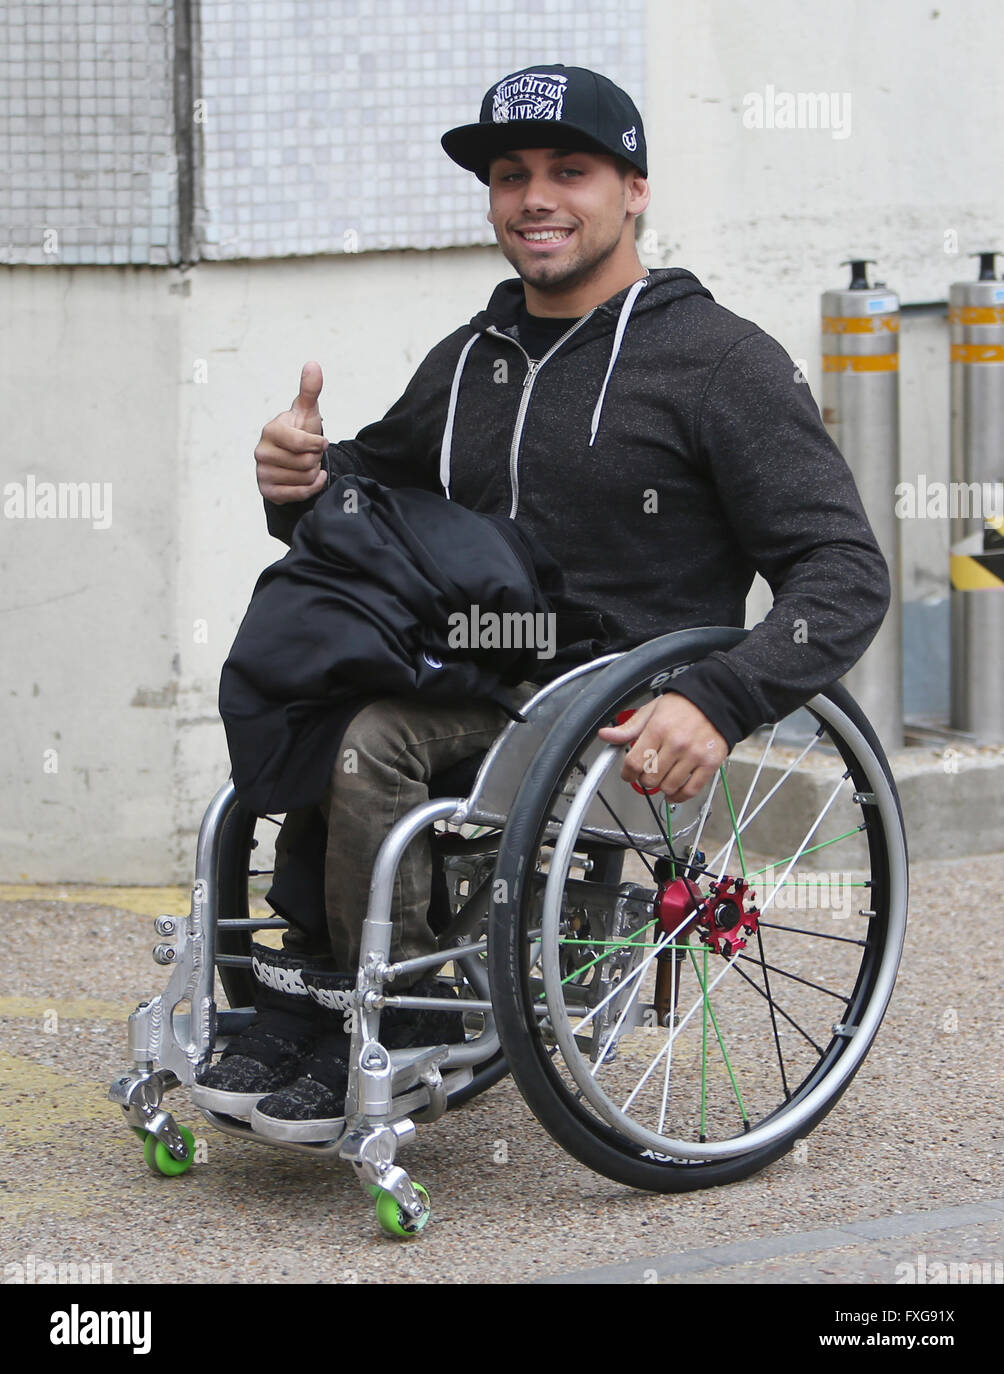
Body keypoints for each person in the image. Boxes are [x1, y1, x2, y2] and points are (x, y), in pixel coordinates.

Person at [196, 65, 889, 1135]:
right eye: (511, 175)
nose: (535, 197)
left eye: (570, 170)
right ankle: (306, 991)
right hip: (479, 661)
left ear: (634, 190)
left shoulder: (719, 364)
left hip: (612, 693)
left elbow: (842, 569)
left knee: (374, 734)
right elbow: (369, 501)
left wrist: (718, 695)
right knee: (308, 679)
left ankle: (393, 1009)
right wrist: (297, 480)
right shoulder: (477, 359)